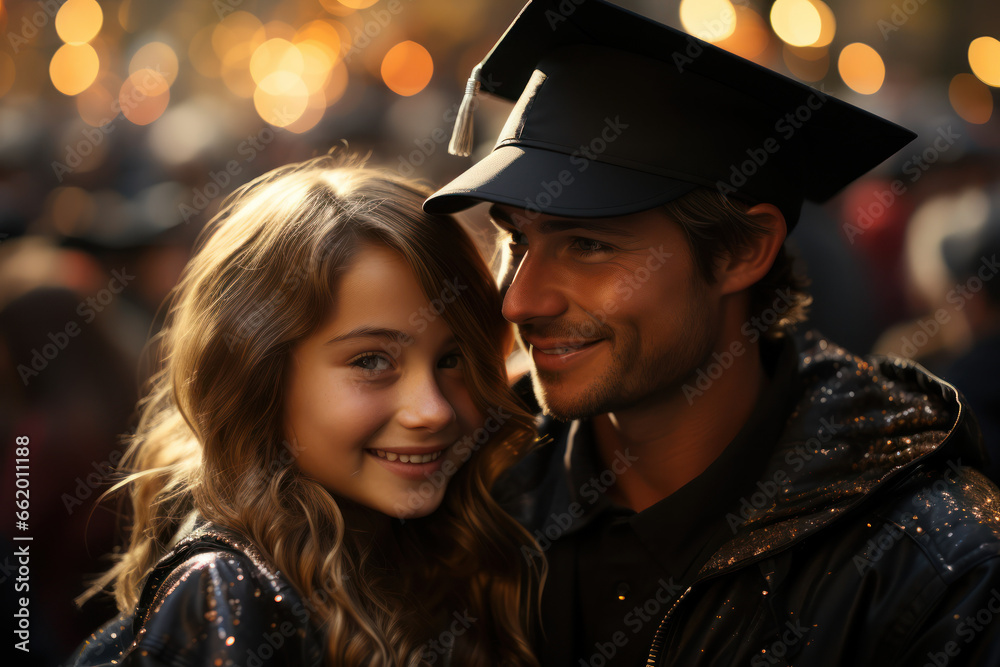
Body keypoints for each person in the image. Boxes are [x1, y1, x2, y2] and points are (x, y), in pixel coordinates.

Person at [423, 1, 1000, 665]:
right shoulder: (469, 498)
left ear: (740, 251)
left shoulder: (929, 571)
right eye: (516, 240)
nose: (518, 300)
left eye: (587, 244)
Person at [68, 153, 542, 666]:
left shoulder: (458, 547)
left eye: (453, 358)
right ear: (259, 373)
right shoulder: (228, 595)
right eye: (371, 360)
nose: (433, 411)